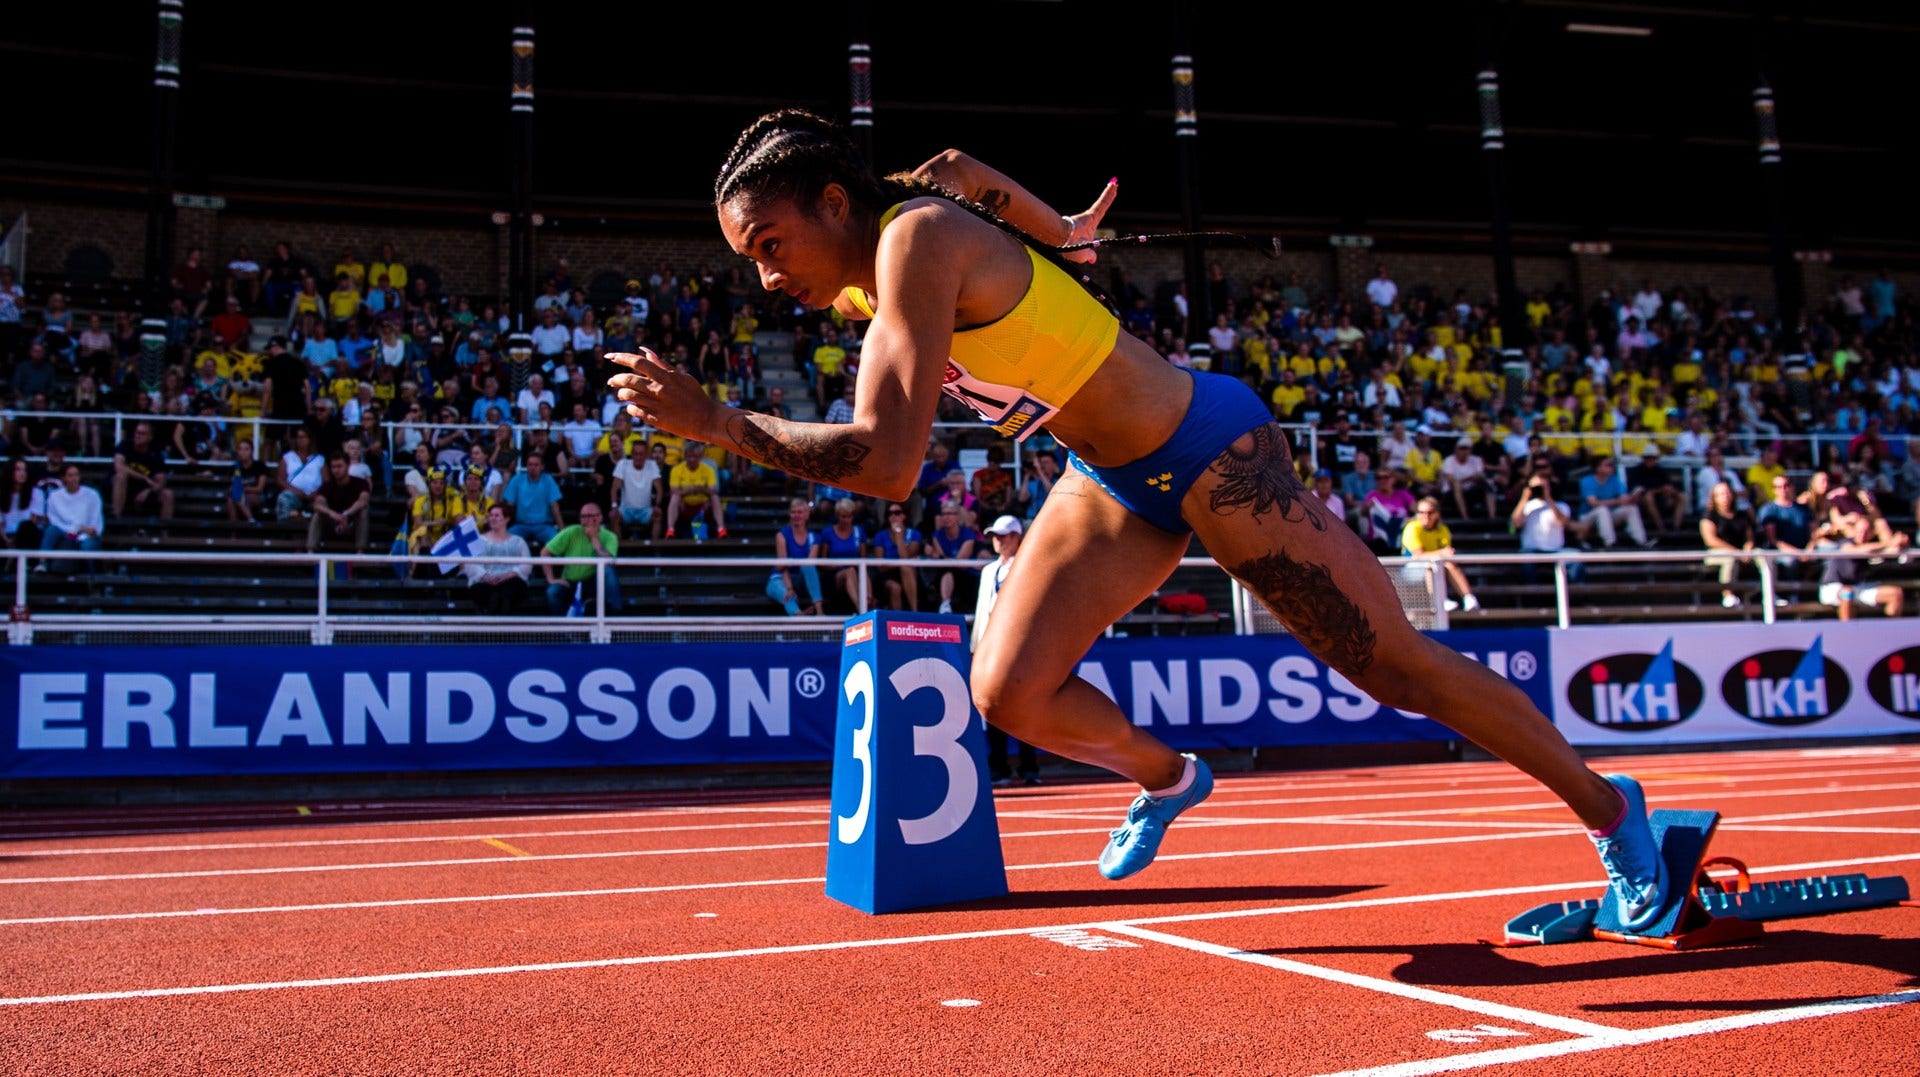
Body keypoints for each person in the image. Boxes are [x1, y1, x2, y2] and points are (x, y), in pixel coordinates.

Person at [604, 110, 1672, 925]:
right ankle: (1169, 777)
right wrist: (1058, 231)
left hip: (1210, 449)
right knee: (1008, 691)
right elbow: (961, 167)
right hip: (1111, 479)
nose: (765, 275)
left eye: (770, 242)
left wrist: (714, 421)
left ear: (836, 205)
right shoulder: (872, 259)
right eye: (749, 258)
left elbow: (889, 466)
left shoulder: (914, 246)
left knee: (1390, 666)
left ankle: (1614, 814)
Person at [973, 514, 1040, 786]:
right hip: (992, 646)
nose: (998, 541)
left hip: (1020, 647)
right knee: (993, 710)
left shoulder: (1028, 565)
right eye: (995, 536)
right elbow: (981, 611)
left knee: (1024, 709)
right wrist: (977, 646)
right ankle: (998, 767)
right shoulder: (989, 571)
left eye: (1003, 536)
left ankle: (1029, 768)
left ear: (1016, 537)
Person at [1816, 513, 1908, 621]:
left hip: (1858, 587)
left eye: (1866, 531)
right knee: (1847, 593)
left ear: (1871, 534)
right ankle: (1848, 632)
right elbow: (1860, 551)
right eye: (1860, 531)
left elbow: (1891, 551)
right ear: (1854, 530)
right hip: (1833, 587)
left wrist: (1900, 543)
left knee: (1895, 594)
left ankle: (1891, 631)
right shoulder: (1845, 543)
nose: (1862, 535)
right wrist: (1890, 542)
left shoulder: (1873, 547)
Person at [1400, 497, 1481, 612]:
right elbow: (1418, 555)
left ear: (1437, 514)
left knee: (1449, 564)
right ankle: (1440, 600)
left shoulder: (1442, 529)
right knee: (1431, 565)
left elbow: (1447, 554)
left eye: (1430, 512)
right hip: (1409, 569)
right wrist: (1441, 553)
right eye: (1421, 512)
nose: (1425, 516)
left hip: (1435, 566)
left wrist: (1443, 554)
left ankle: (1469, 599)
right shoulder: (1412, 528)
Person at [541, 502, 622, 615]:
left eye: (590, 516)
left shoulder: (610, 537)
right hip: (570, 582)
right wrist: (551, 579)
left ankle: (615, 616)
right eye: (583, 516)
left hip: (594, 582)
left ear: (600, 518)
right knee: (552, 591)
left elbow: (608, 561)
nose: (586, 520)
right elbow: (545, 552)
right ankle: (559, 629)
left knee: (608, 571)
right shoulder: (571, 531)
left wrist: (594, 538)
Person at [1511, 473, 1584, 584]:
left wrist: (1548, 498)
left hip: (1556, 550)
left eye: (1543, 486)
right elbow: (1515, 524)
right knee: (1525, 558)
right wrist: (1524, 497)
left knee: (1576, 557)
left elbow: (1563, 522)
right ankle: (1532, 598)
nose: (1539, 489)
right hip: (1531, 551)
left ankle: (1578, 597)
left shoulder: (1561, 505)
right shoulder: (1527, 505)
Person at [464, 505, 533, 615]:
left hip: (511, 581)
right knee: (492, 596)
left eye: (497, 515)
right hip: (484, 582)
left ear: (507, 519)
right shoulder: (478, 541)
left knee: (507, 593)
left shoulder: (519, 541)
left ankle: (504, 629)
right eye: (491, 515)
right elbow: (470, 564)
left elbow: (527, 564)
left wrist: (510, 574)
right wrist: (484, 576)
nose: (493, 518)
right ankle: (491, 630)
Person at [1699, 480, 1757, 609]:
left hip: (1742, 552)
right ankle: (1728, 595)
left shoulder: (1742, 515)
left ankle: (1771, 593)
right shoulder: (1709, 516)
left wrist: (1748, 549)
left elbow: (1749, 538)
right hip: (1717, 553)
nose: (1725, 496)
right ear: (1714, 497)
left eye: (1727, 493)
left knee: (1764, 556)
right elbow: (1711, 540)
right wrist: (1736, 552)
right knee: (1730, 558)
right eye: (1721, 494)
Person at [36, 464, 104, 574]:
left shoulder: (92, 495)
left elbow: (95, 524)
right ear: (63, 478)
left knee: (87, 546)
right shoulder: (54, 496)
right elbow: (54, 521)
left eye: (76, 475)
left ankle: (91, 579)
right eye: (70, 475)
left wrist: (82, 532)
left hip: (87, 535)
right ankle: (42, 562)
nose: (74, 478)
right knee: (51, 530)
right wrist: (77, 528)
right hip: (64, 532)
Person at [1578, 455, 1652, 549]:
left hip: (1609, 515)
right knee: (1602, 510)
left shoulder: (1615, 480)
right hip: (1588, 517)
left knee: (1631, 509)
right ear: (1598, 468)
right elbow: (1593, 503)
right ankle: (1610, 543)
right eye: (1608, 465)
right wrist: (1617, 501)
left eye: (1611, 465)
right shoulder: (1586, 481)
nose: (1611, 467)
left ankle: (1642, 541)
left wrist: (1632, 498)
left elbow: (1623, 498)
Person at [766, 497, 825, 616]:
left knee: (808, 565)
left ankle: (819, 611)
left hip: (800, 579)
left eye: (800, 512)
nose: (796, 515)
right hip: (780, 578)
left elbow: (810, 565)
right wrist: (789, 588)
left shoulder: (814, 537)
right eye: (793, 512)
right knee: (785, 593)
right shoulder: (782, 535)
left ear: (807, 515)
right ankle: (799, 615)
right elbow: (782, 566)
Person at [306, 452, 372, 553]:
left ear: (348, 465)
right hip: (331, 525)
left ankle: (360, 552)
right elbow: (317, 504)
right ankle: (310, 552)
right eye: (333, 467)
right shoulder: (327, 486)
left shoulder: (361, 483)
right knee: (318, 514)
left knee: (363, 511)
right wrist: (332, 514)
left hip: (351, 525)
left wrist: (345, 514)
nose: (336, 470)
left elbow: (363, 501)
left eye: (339, 466)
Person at [923, 500, 981, 614]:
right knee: (947, 572)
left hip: (967, 573)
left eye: (950, 513)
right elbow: (943, 560)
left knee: (950, 571)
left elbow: (959, 562)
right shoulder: (937, 535)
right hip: (946, 571)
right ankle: (945, 605)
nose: (946, 517)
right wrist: (938, 556)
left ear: (957, 516)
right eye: (943, 514)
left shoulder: (968, 535)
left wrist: (936, 555)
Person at [110, 420, 175, 520]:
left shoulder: (155, 454)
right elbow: (119, 467)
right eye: (136, 432)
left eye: (142, 433)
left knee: (168, 494)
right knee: (120, 476)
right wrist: (144, 477)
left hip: (142, 490)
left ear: (150, 437)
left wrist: (149, 491)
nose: (137, 435)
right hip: (120, 487)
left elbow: (161, 480)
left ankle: (164, 534)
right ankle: (116, 518)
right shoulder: (124, 445)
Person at [664, 440, 727, 539]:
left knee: (714, 497)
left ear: (701, 457)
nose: (692, 460)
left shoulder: (708, 469)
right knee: (675, 498)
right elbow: (674, 491)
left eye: (695, 457)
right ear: (685, 456)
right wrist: (693, 490)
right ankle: (670, 530)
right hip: (684, 506)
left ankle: (721, 530)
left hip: (703, 506)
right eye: (689, 456)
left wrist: (697, 489)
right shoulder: (677, 469)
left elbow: (712, 491)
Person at [501, 451, 565, 547]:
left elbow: (555, 507)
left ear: (542, 466)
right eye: (530, 464)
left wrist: (562, 531)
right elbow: (509, 506)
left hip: (544, 526)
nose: (532, 467)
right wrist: (502, 528)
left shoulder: (548, 479)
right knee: (504, 541)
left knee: (558, 542)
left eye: (536, 465)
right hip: (521, 525)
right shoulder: (517, 479)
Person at [609, 434, 664, 540]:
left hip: (645, 510)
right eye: (636, 454)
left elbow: (659, 489)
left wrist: (657, 505)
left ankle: (654, 549)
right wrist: (614, 506)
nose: (638, 457)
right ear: (632, 454)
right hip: (626, 510)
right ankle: (619, 549)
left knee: (658, 515)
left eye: (641, 454)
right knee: (613, 515)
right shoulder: (623, 464)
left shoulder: (652, 465)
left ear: (646, 455)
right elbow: (614, 488)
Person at [227, 437, 272, 524]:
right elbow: (232, 486)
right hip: (240, 495)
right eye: (240, 449)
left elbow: (259, 488)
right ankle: (235, 532)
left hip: (257, 495)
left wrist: (243, 489)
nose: (243, 452)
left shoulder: (259, 466)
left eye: (246, 449)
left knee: (237, 496)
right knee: (231, 500)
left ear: (252, 451)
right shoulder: (235, 467)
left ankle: (251, 521)